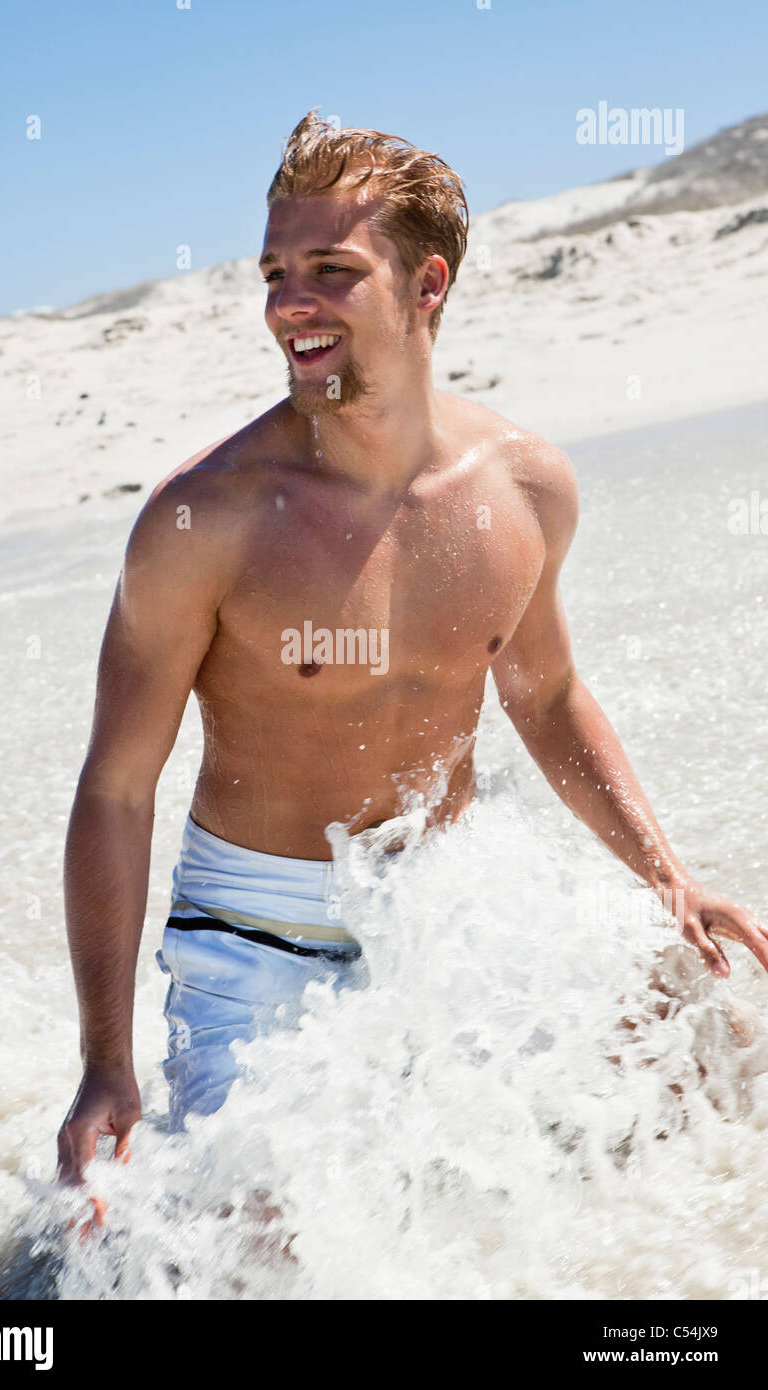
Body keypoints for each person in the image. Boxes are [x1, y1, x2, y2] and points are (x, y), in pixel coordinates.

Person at [57, 109, 768, 1189]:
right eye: (274, 272)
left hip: (444, 907)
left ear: (425, 285)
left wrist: (670, 878)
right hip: (256, 936)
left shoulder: (523, 488)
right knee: (260, 1243)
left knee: (701, 1024)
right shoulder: (205, 520)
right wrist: (104, 1062)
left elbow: (545, 694)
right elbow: (114, 788)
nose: (287, 303)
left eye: (330, 270)